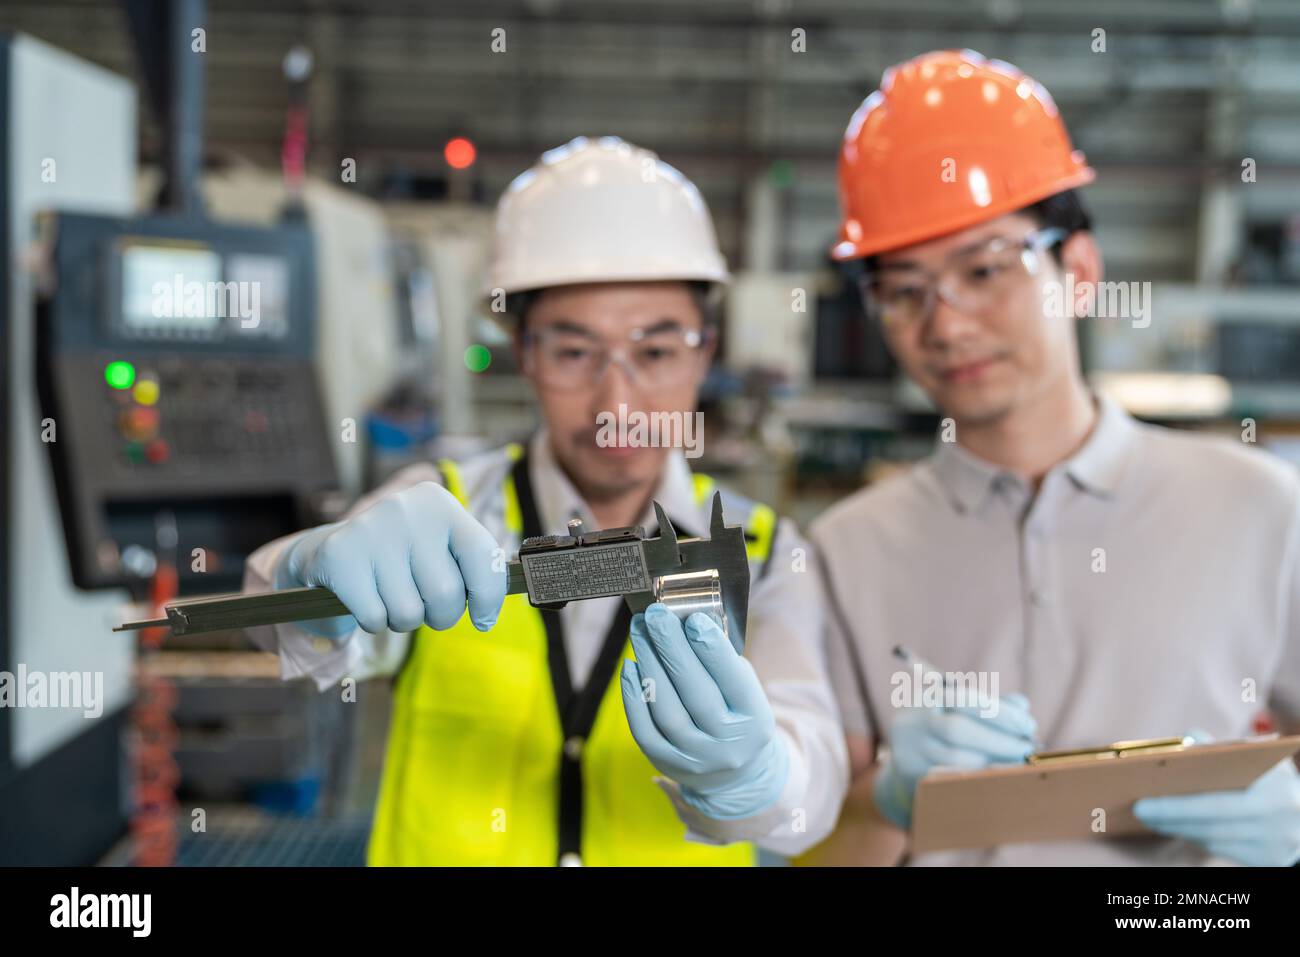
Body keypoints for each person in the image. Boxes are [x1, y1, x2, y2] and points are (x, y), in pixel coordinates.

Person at [242, 136, 847, 866]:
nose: (617, 401)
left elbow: (810, 790)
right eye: (573, 352)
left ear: (705, 350)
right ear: (522, 350)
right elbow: (288, 633)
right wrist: (311, 581)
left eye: (655, 352)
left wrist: (755, 777)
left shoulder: (766, 550)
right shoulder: (445, 503)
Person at [803, 51, 1300, 866]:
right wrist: (886, 801)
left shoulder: (1263, 509)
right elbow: (822, 851)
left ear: (1080, 271)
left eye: (986, 268)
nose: (947, 324)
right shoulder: (846, 550)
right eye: (904, 289)